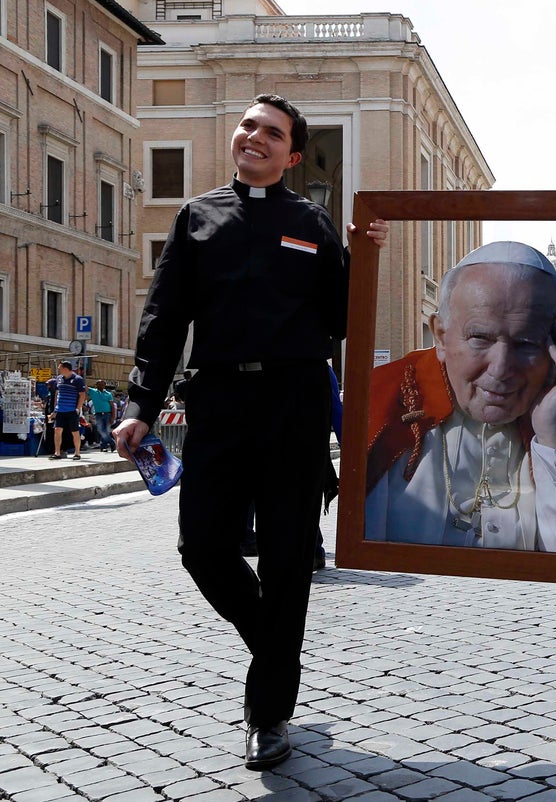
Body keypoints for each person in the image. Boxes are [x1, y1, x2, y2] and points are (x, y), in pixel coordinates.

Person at [112, 94, 388, 772]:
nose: (254, 137)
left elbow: (342, 318)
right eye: (248, 126)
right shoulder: (196, 217)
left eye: (271, 132)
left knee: (290, 558)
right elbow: (164, 318)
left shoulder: (311, 221)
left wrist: (361, 258)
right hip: (220, 398)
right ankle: (276, 646)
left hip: (293, 400)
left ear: (292, 155)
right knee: (202, 545)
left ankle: (269, 715)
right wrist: (141, 403)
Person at [365, 241, 556, 554]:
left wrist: (555, 437)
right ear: (441, 336)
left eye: (526, 342)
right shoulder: (386, 409)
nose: (502, 369)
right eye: (480, 338)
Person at [49, 361, 86, 461]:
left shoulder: (77, 379)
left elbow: (82, 395)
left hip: (72, 410)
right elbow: (57, 394)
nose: (58, 370)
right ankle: (57, 452)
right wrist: (54, 410)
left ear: (65, 368)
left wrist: (78, 408)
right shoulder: (59, 379)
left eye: (60, 368)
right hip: (60, 410)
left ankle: (77, 453)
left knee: (75, 432)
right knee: (57, 430)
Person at [87, 380, 117, 452]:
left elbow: (112, 406)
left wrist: (113, 416)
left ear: (104, 385)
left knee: (106, 431)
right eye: (99, 385)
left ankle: (103, 446)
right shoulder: (92, 391)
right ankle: (112, 443)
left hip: (107, 414)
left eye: (102, 385)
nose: (101, 386)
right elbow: (84, 387)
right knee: (101, 430)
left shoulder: (108, 394)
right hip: (98, 414)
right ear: (96, 385)